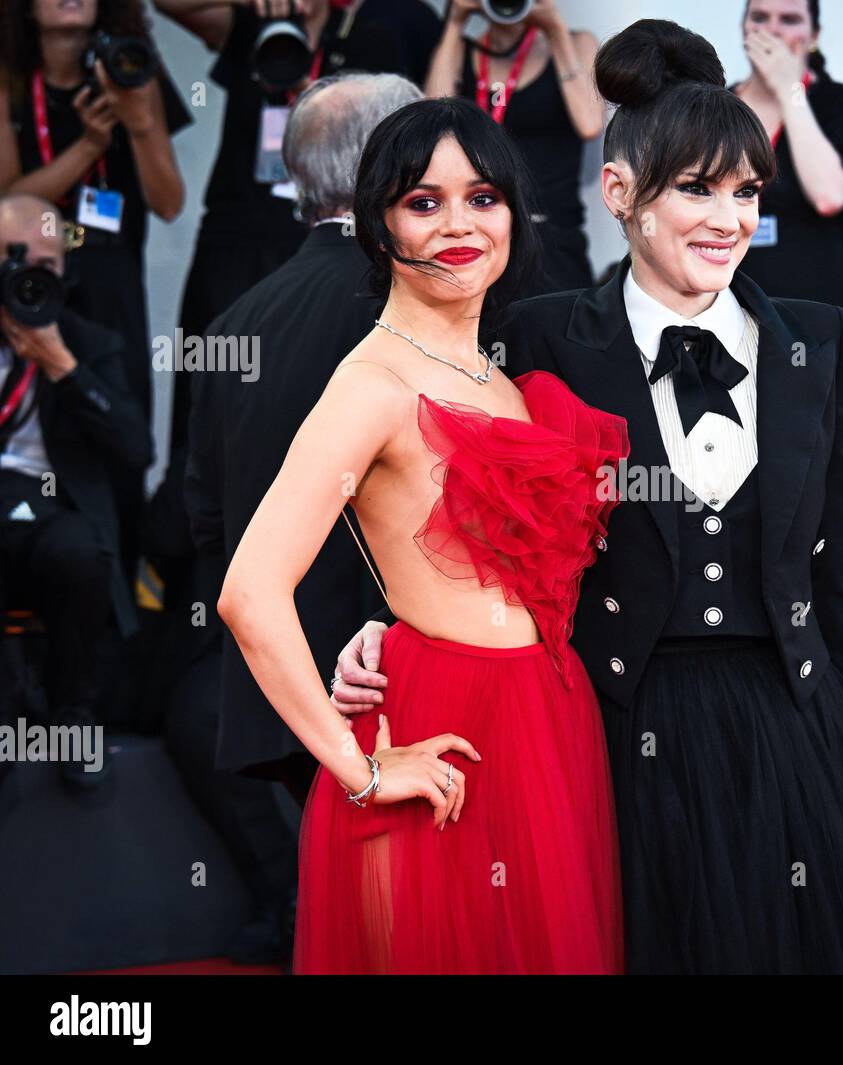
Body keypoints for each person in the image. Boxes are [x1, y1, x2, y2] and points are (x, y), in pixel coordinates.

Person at [332, 19, 843, 974]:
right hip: (615, 732)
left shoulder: (815, 338)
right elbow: (440, 493)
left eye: (746, 191)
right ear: (620, 193)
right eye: (696, 188)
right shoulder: (546, 336)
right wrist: (379, 621)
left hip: (792, 731)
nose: (729, 219)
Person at [217, 96, 627, 974]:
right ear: (378, 224)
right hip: (446, 733)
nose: (461, 224)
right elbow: (249, 593)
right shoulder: (371, 384)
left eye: (483, 197)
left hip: (550, 723)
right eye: (423, 201)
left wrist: (382, 618)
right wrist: (360, 769)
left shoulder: (499, 374)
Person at [171, 73, 421, 966]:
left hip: (280, 687)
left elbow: (204, 519)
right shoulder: (418, 306)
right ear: (395, 160)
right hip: (400, 676)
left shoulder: (236, 320)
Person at [155, 0, 442, 453]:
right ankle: (190, 500)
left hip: (330, 229)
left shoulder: (375, 30)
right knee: (217, 368)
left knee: (315, 387)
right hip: (238, 232)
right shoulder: (255, 23)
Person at [0, 0, 192, 577]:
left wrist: (136, 121)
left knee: (117, 433)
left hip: (111, 279)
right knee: (41, 423)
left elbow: (169, 201)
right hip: (29, 269)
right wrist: (88, 144)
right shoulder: (9, 80)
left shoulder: (133, 68)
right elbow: (8, 200)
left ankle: (118, 595)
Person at [0, 193, 151, 788]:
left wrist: (64, 366)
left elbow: (138, 450)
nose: (34, 276)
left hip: (51, 509)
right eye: (18, 260)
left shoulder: (88, 342)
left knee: (79, 550)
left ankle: (74, 714)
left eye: (49, 265)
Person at [425, 0, 602, 293]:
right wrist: (455, 24)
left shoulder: (576, 43)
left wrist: (555, 29)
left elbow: (590, 124)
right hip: (479, 234)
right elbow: (428, 125)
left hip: (552, 233)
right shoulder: (463, 49)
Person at [730, 0, 843, 329]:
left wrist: (788, 88)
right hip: (727, 306)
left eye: (789, 19)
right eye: (759, 17)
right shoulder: (718, 106)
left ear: (814, 35)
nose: (772, 29)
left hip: (813, 311)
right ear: (745, 28)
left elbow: (829, 197)